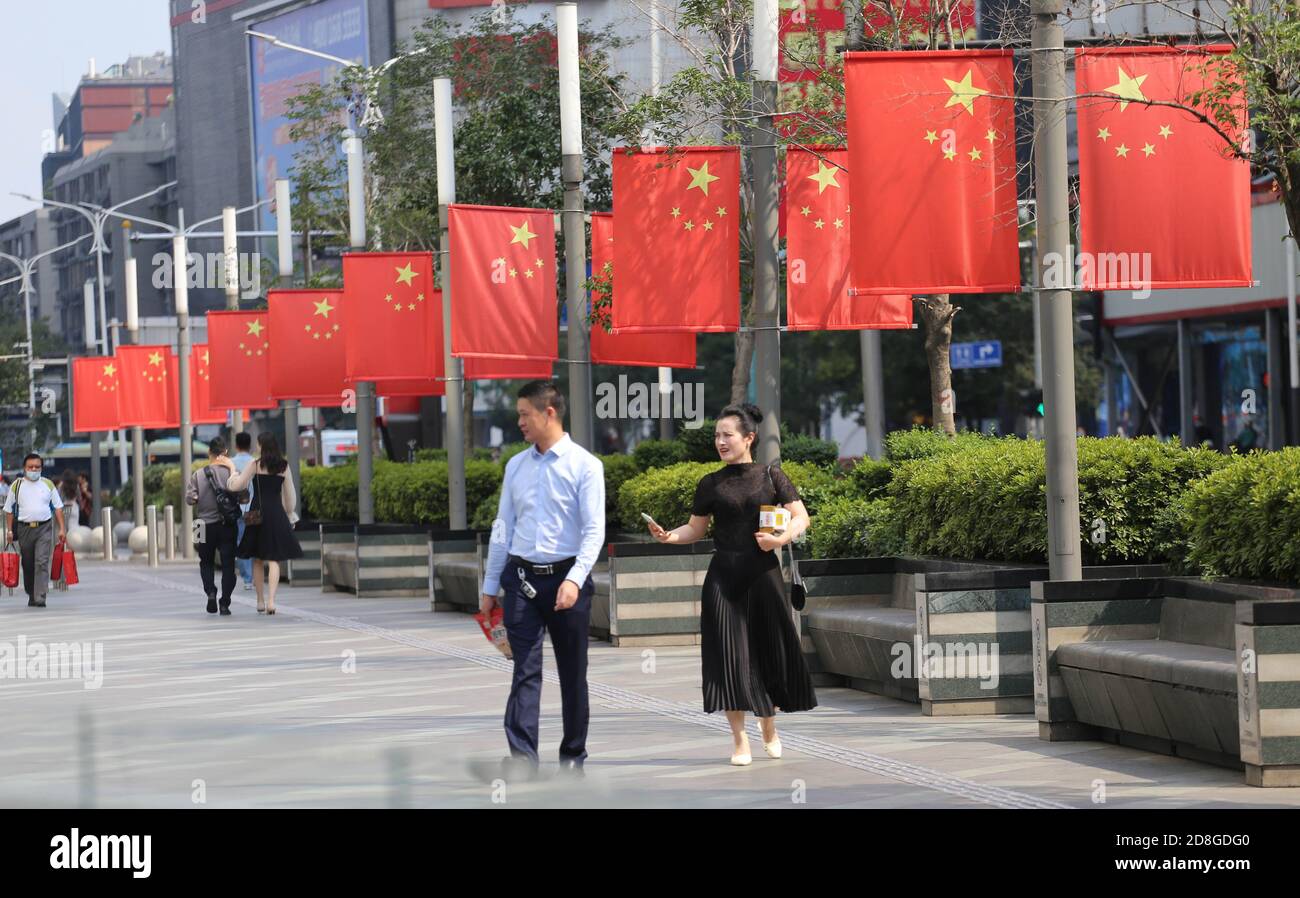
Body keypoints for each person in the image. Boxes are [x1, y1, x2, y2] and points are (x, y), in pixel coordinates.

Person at [646, 403, 818, 765]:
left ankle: (768, 725)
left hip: (764, 577)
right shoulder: (710, 483)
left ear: (749, 438)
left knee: (767, 652)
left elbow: (801, 517)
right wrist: (668, 537)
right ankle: (739, 740)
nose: (720, 442)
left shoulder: (772, 476)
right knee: (727, 657)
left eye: (727, 435)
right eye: (716, 436)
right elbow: (695, 528)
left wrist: (780, 538)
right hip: (722, 578)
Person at [480, 380, 605, 774]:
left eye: (524, 414)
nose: (519, 422)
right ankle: (522, 760)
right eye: (519, 414)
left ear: (548, 412)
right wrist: (490, 586)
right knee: (524, 671)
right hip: (521, 581)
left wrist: (574, 579)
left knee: (573, 674)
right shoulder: (515, 465)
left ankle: (573, 757)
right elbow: (504, 526)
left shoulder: (585, 465)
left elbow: (594, 530)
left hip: (568, 579)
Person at [224, 433, 302, 615]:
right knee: (274, 559)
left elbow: (237, 486)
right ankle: (272, 602)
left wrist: (231, 476)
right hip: (276, 513)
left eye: (258, 445)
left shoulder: (256, 465)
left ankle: (259, 601)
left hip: (256, 513)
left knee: (257, 558)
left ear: (262, 446)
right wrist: (289, 512)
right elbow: (290, 497)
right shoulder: (284, 466)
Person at [185, 436, 246, 615]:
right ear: (225, 452)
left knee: (205, 562)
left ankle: (210, 592)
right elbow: (244, 497)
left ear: (209, 453)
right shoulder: (232, 473)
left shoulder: (198, 474)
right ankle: (225, 602)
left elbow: (190, 499)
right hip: (227, 524)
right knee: (228, 565)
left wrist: (199, 498)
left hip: (202, 524)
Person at [3, 453, 67, 608]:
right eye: (30, 467)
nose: (33, 469)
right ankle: (31, 592)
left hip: (44, 528)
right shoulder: (16, 486)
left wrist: (62, 529)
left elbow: (58, 507)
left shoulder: (48, 484)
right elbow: (8, 510)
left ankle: (40, 596)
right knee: (28, 563)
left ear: (41, 468)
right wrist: (10, 531)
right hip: (24, 529)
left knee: (42, 561)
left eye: (37, 467)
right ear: (24, 468)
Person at [230, 431, 256, 591]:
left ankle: (247, 578)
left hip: (237, 508)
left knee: (239, 541)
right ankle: (252, 576)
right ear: (250, 445)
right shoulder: (255, 462)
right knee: (252, 540)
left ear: (236, 445)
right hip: (253, 507)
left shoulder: (231, 463)